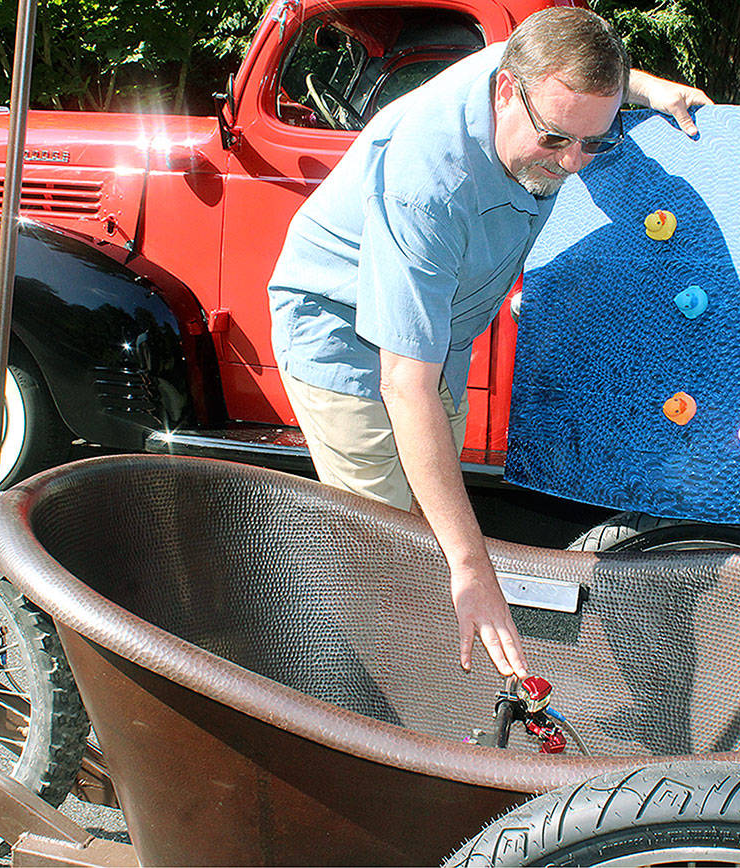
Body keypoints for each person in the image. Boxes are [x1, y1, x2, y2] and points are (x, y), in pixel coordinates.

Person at [268, 6, 709, 679]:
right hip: (345, 331)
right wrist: (473, 568)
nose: (571, 163)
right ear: (507, 91)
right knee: (384, 538)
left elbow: (567, 78)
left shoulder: (533, 80)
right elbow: (402, 385)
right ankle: (361, 692)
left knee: (436, 514)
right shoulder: (428, 181)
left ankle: (440, 648)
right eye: (557, 139)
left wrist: (652, 91)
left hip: (442, 330)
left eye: (594, 142)